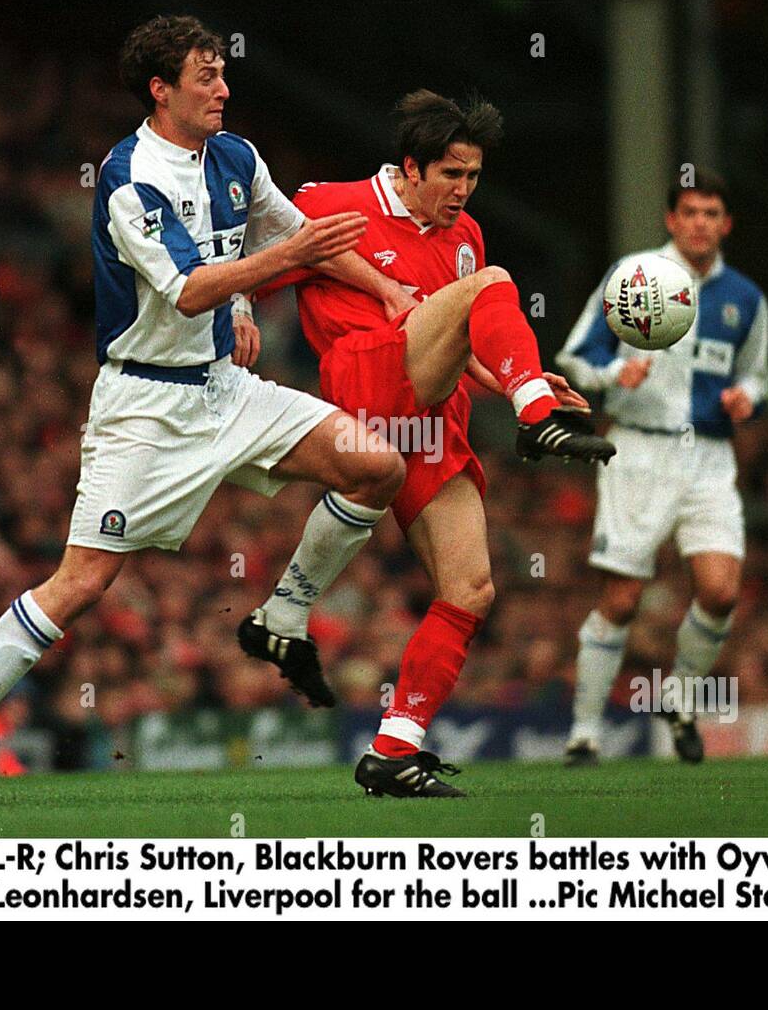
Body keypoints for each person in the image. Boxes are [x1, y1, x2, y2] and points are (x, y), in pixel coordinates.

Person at [0, 15, 408, 805]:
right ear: (161, 89)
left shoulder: (236, 156)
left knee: (377, 464)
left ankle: (282, 613)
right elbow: (187, 287)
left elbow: (297, 231)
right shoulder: (128, 174)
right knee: (83, 582)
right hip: (144, 404)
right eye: (206, 77)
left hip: (224, 386)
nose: (223, 88)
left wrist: (385, 289)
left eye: (222, 72)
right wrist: (267, 272)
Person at [241, 90, 614, 797]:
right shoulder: (331, 203)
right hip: (367, 378)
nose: (463, 191)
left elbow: (463, 336)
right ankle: (537, 419)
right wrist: (234, 312)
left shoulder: (466, 234)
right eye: (450, 174)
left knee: (471, 588)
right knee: (494, 286)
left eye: (473, 176)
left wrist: (520, 383)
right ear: (409, 168)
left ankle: (394, 749)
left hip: (430, 419)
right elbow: (258, 260)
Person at [557, 168, 768, 765]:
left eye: (712, 213)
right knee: (623, 599)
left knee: (721, 591)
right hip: (640, 448)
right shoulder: (634, 276)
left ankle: (679, 699)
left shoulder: (746, 298)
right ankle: (584, 732)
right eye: (690, 212)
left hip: (708, 454)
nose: (701, 223)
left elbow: (757, 371)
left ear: (725, 224)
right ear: (672, 220)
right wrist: (609, 375)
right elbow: (576, 356)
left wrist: (747, 396)